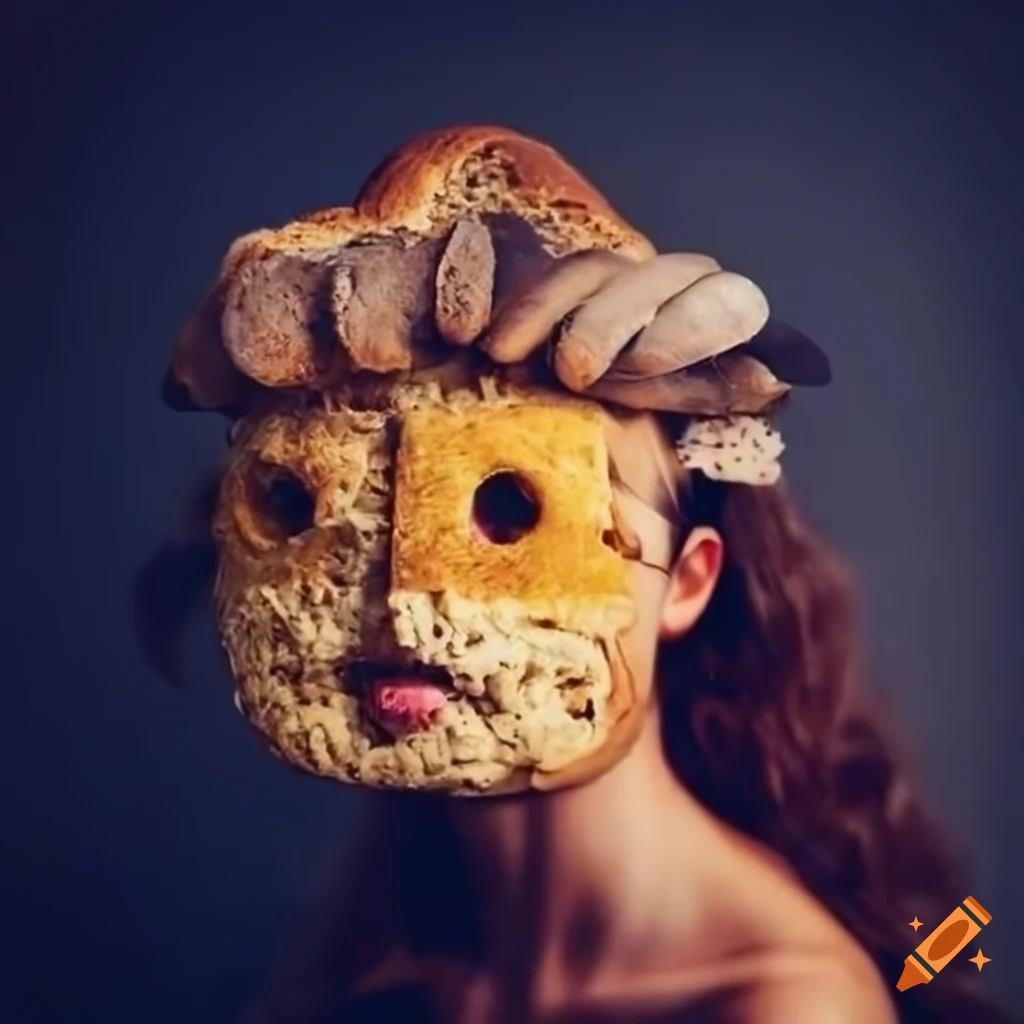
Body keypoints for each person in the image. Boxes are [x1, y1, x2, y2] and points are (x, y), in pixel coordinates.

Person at [139, 127, 1011, 1024]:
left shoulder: (779, 1007)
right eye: (307, 509)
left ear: (687, 582)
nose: (400, 599)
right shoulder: (379, 953)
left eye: (512, 510)